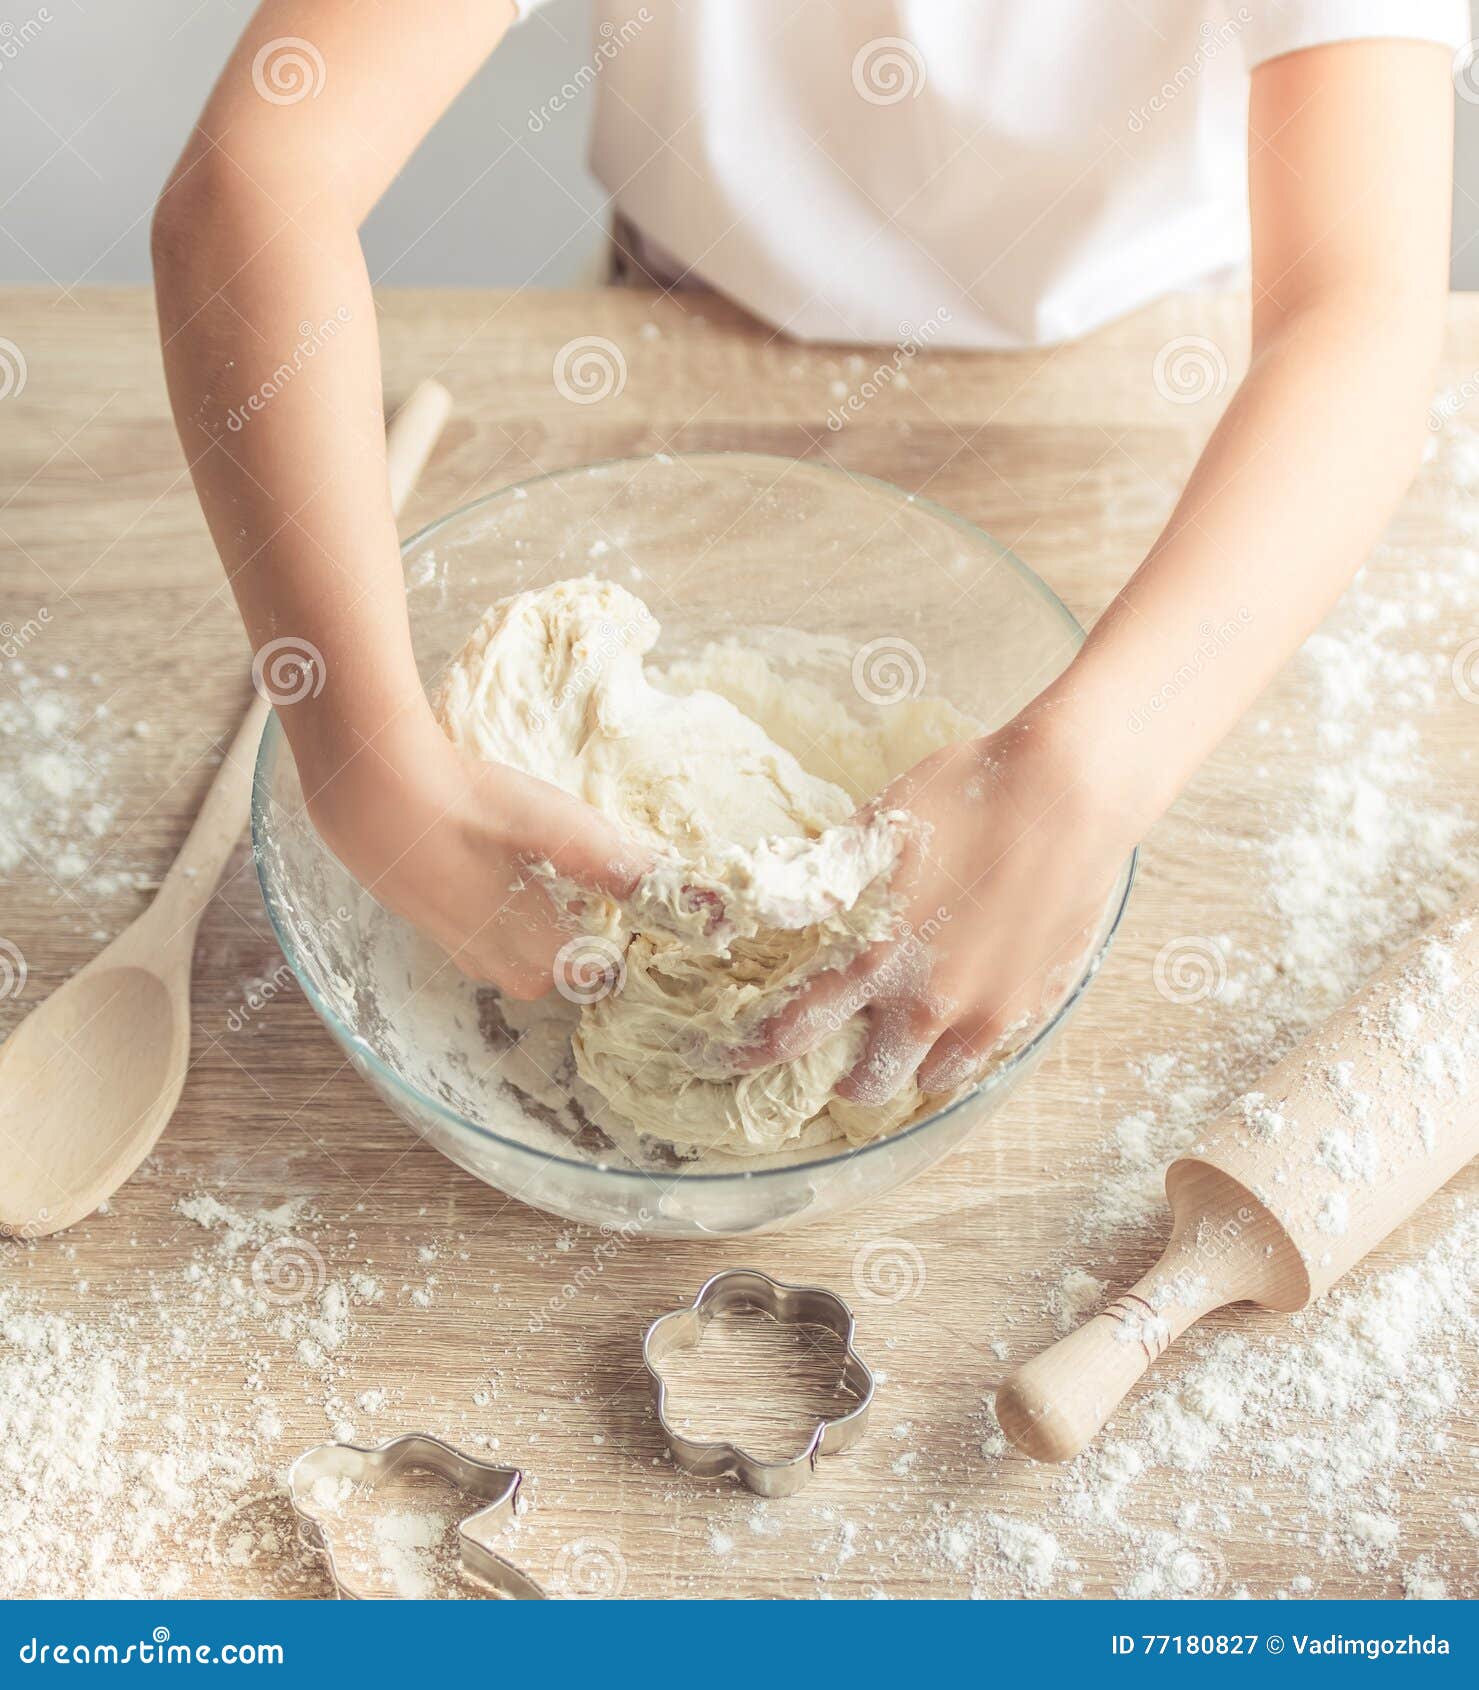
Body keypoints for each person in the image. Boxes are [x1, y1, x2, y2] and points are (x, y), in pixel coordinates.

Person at [152, 1, 1467, 1108]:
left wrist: (1089, 767)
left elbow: (1360, 316)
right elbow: (254, 184)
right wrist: (363, 750)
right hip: (674, 340)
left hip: (1159, 423)